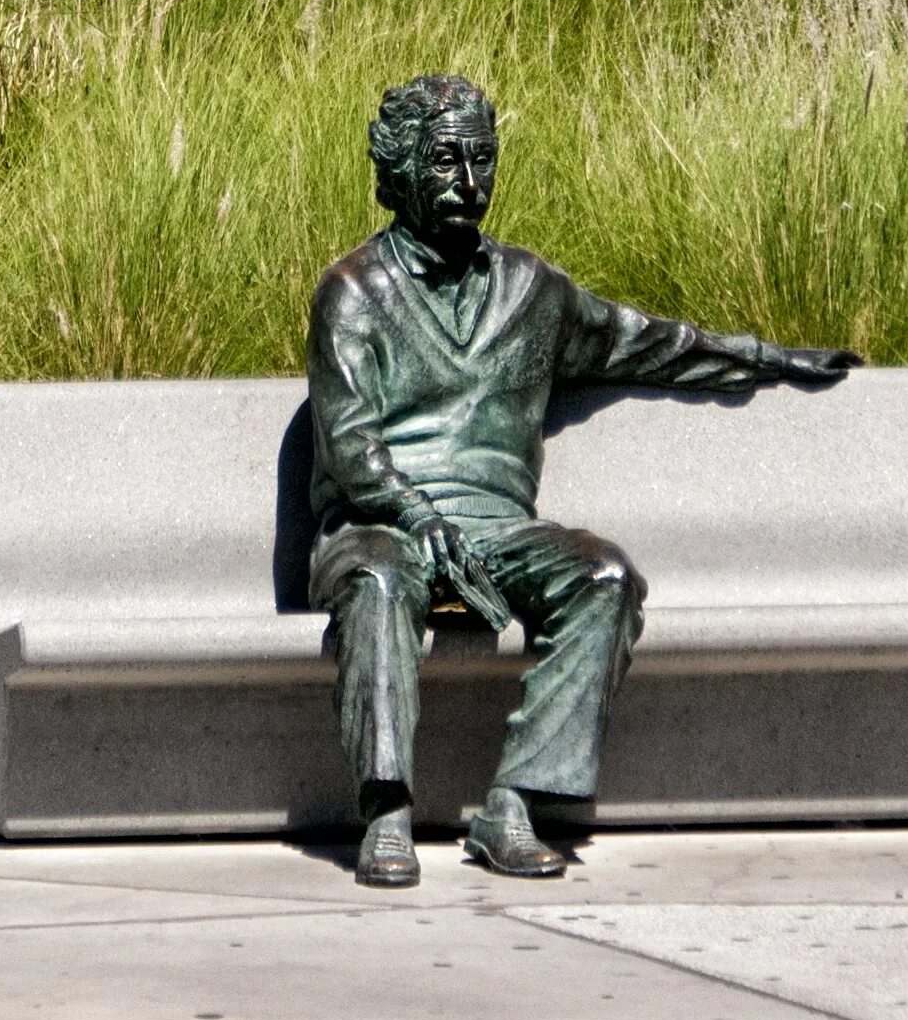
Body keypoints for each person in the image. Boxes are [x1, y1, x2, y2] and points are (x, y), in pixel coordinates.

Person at [306, 73, 860, 887]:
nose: (468, 183)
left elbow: (651, 342)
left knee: (603, 576)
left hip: (498, 534)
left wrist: (766, 357)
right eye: (445, 162)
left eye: (482, 161)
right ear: (397, 173)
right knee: (382, 587)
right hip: (378, 526)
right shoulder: (353, 294)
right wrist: (421, 520)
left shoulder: (533, 291)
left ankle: (515, 805)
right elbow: (352, 447)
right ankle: (386, 809)